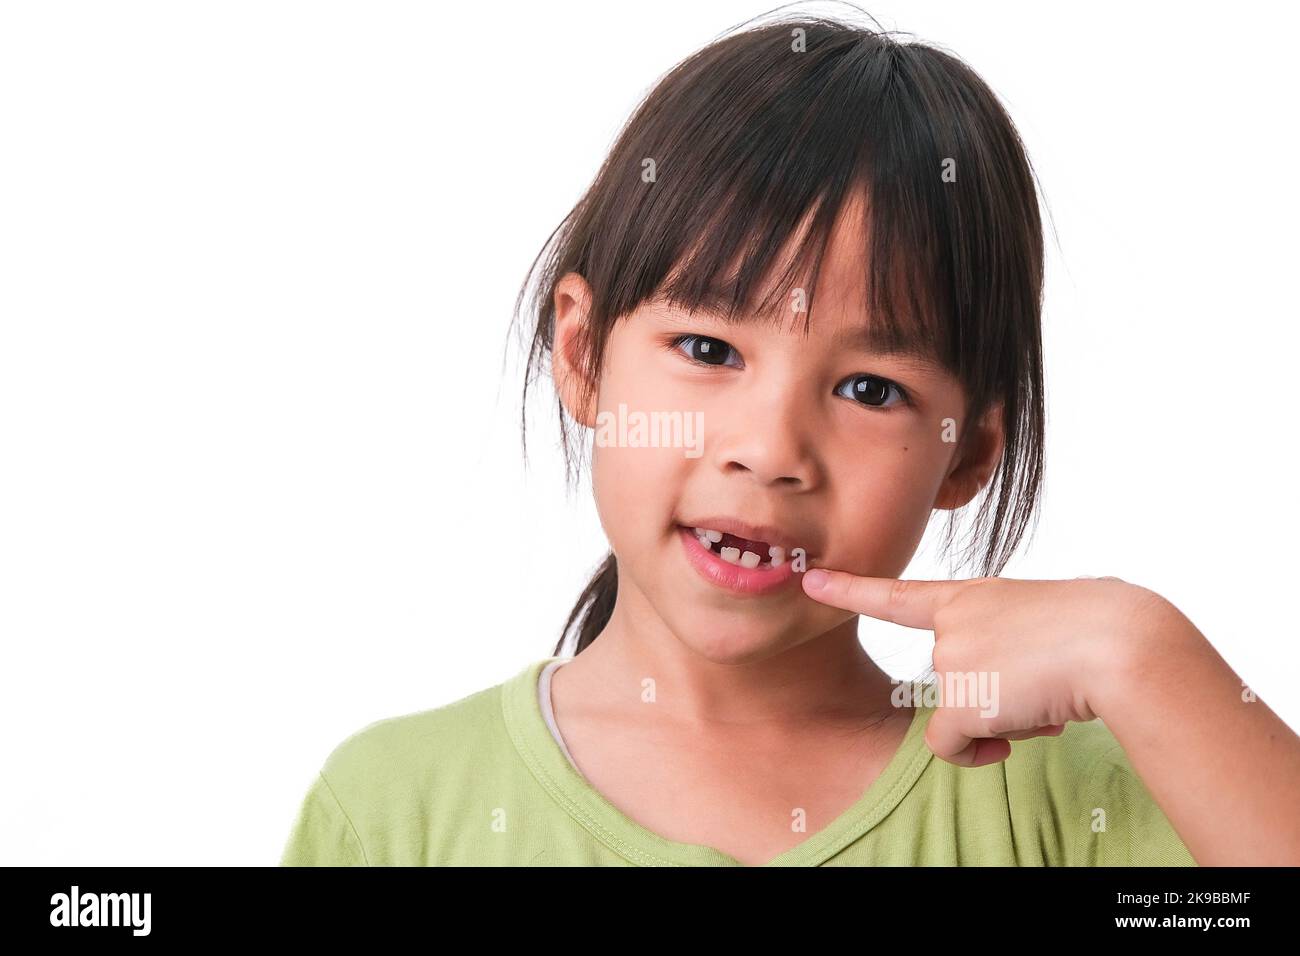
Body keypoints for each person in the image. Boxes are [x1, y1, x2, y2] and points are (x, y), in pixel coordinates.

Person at [279, 9, 1300, 867]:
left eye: (868, 386)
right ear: (585, 355)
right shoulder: (394, 811)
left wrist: (1143, 652)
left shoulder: (1073, 799)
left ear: (968, 452)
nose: (769, 448)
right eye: (708, 347)